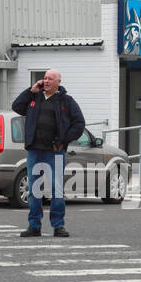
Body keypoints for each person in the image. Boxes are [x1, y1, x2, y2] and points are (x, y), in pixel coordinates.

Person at [12, 70, 85, 237]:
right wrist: (30, 91)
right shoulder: (34, 98)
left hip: (55, 152)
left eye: (50, 79)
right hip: (34, 150)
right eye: (44, 78)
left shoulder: (66, 101)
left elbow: (79, 123)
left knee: (56, 189)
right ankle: (34, 225)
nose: (46, 81)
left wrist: (63, 140)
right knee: (34, 190)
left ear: (58, 81)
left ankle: (58, 225)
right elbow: (16, 107)